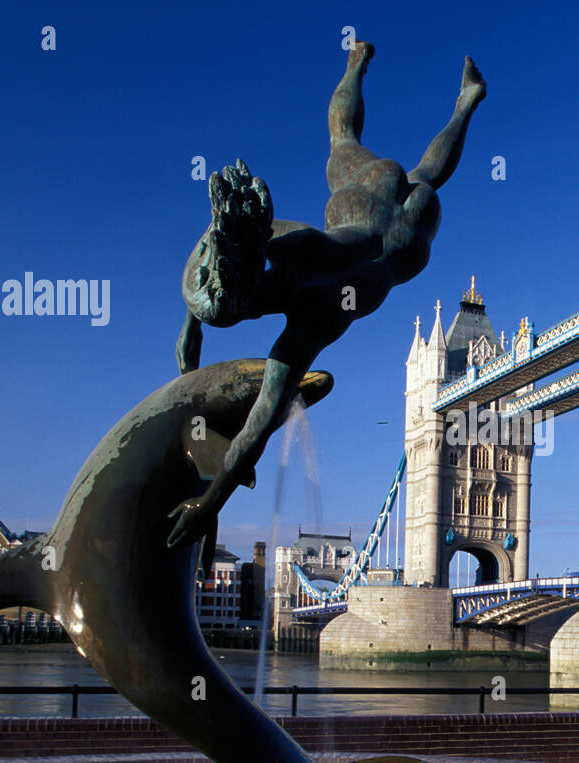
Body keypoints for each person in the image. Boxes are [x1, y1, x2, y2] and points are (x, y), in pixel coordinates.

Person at [167, 41, 485, 548]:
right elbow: (224, 247)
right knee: (344, 141)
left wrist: (210, 506)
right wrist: (191, 319)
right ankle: (393, 75)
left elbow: (257, 429)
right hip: (365, 205)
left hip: (405, 240)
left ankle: (463, 101)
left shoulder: (316, 319)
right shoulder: (281, 239)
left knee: (418, 174)